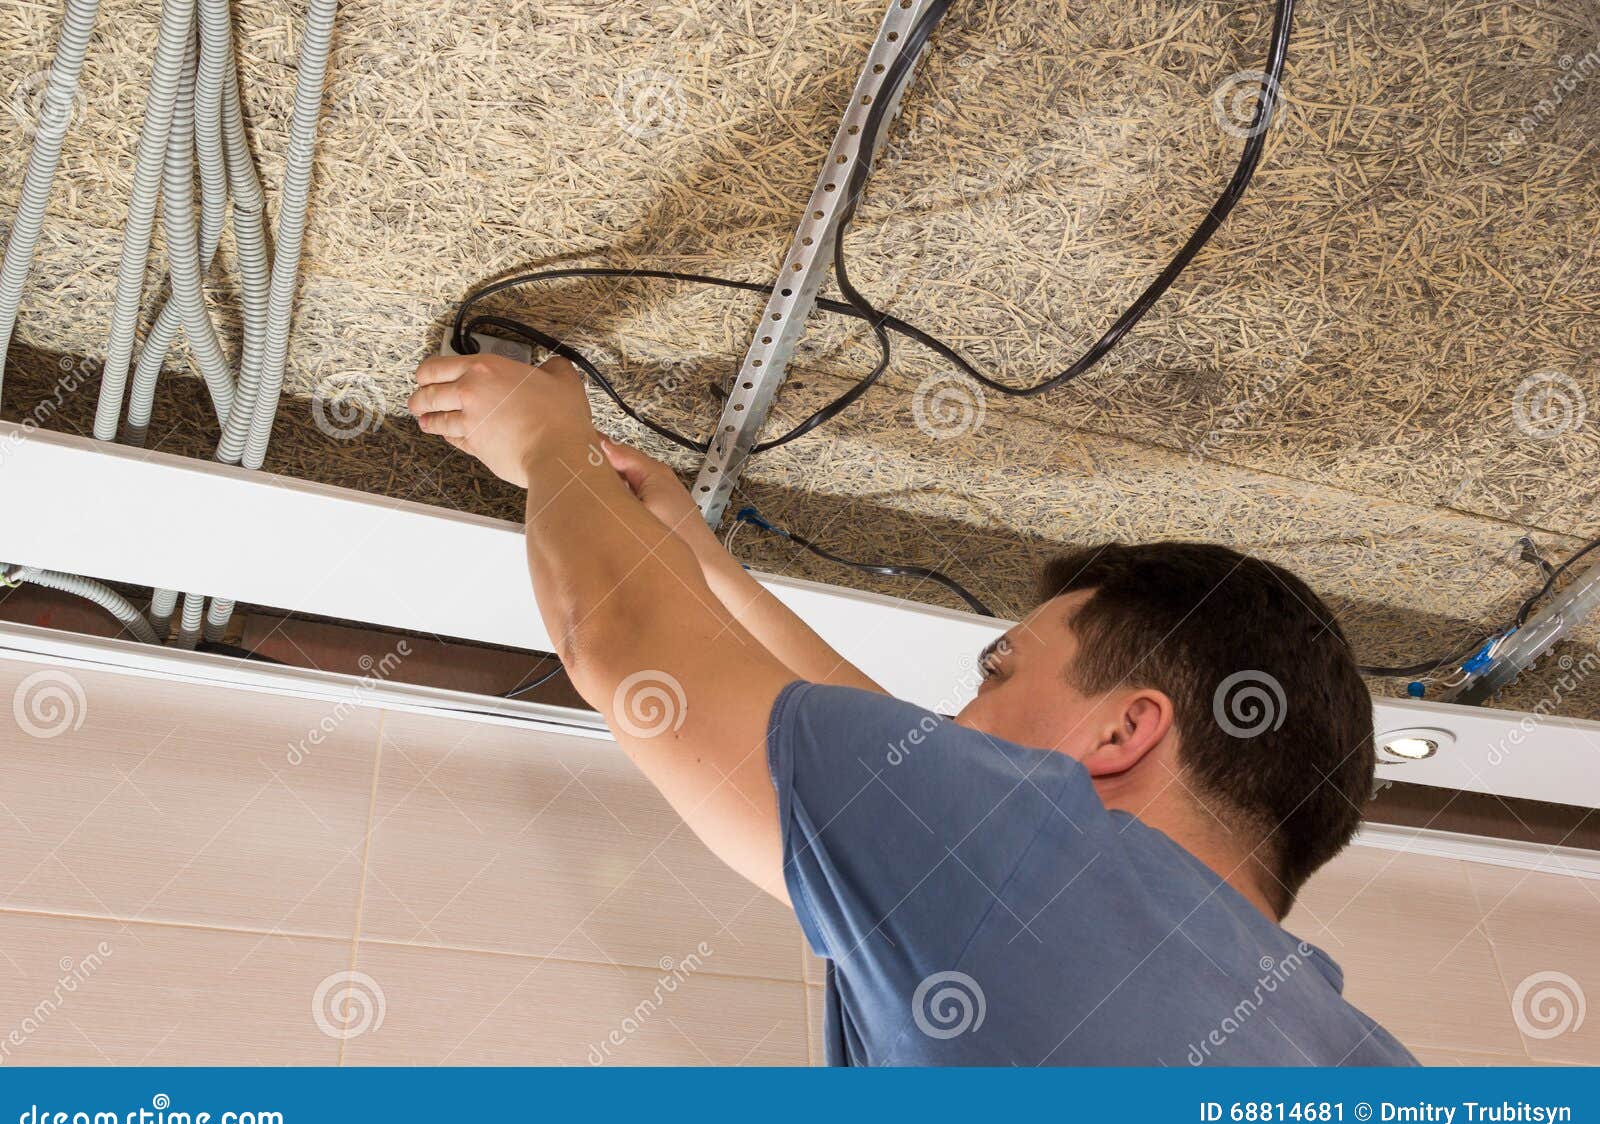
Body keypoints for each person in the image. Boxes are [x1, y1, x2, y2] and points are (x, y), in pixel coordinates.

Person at [407, 351, 1417, 1067]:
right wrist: (709, 571)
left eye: (995, 673)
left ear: (1124, 729)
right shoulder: (1353, 1061)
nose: (952, 720)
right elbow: (899, 785)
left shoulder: (1034, 886)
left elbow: (623, 637)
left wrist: (546, 439)